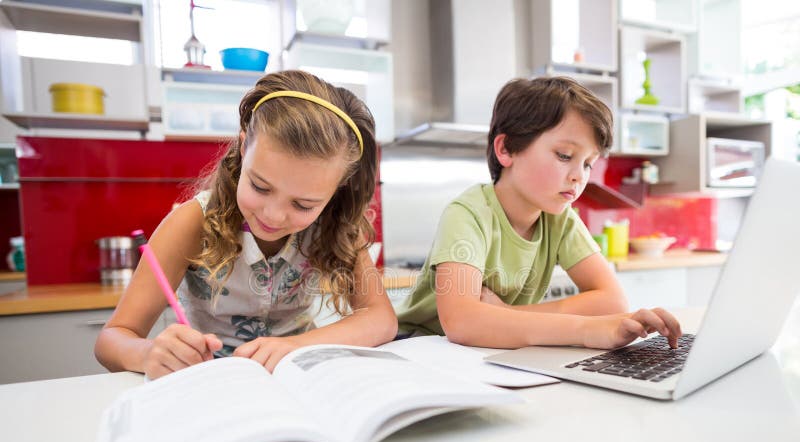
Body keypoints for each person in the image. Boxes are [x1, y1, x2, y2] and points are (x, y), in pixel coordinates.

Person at [95, 70, 397, 378]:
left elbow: (381, 318)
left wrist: (297, 345)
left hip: (301, 375)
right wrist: (149, 354)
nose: (273, 216)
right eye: (260, 187)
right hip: (213, 381)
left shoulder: (334, 224)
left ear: (336, 191)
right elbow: (113, 338)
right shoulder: (192, 222)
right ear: (243, 149)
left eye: (303, 205)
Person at [396, 76, 681, 349]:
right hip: (423, 348)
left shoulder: (560, 218)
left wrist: (507, 313)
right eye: (565, 156)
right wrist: (586, 330)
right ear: (506, 149)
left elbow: (612, 302)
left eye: (588, 164)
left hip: (495, 350)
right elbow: (462, 323)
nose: (578, 176)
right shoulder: (468, 214)